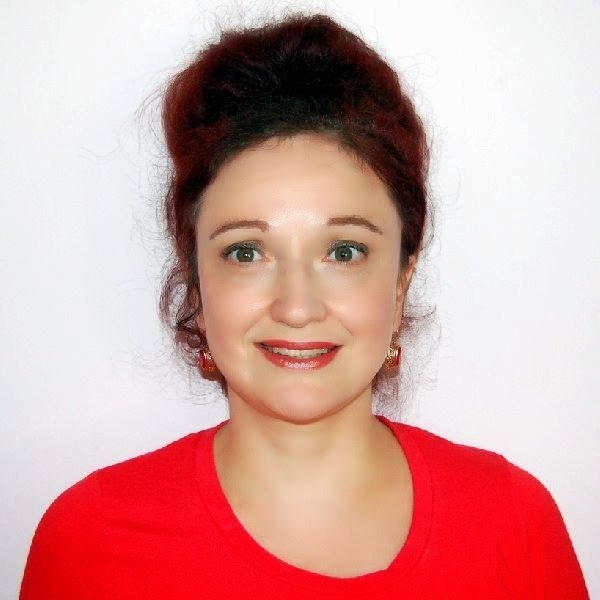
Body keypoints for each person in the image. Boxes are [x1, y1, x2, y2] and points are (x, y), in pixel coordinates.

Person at [20, 13, 589, 599]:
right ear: (195, 283)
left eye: (344, 251)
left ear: (400, 283)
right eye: (246, 252)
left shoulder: (514, 523)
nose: (296, 307)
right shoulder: (89, 542)